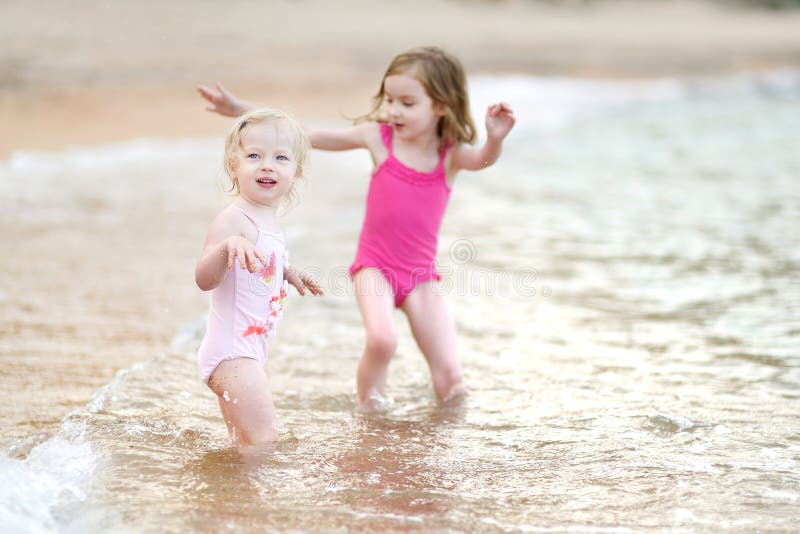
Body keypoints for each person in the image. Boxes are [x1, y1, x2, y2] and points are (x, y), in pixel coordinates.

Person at [198, 46, 515, 411]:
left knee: (452, 379)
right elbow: (303, 135)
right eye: (390, 99)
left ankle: (446, 433)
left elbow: (482, 159)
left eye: (407, 103)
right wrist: (242, 110)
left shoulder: (450, 153)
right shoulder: (377, 138)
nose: (394, 110)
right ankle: (371, 412)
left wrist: (495, 138)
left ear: (441, 106)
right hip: (374, 267)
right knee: (382, 341)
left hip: (421, 275)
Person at [195, 108, 323, 447]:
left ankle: (232, 500)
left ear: (295, 173)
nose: (267, 164)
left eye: (281, 157)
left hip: (246, 351)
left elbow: (257, 267)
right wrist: (226, 247)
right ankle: (253, 499)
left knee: (244, 443)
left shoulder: (266, 219)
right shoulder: (233, 220)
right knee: (266, 440)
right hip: (232, 353)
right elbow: (204, 279)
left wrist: (285, 273)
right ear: (234, 166)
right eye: (254, 155)